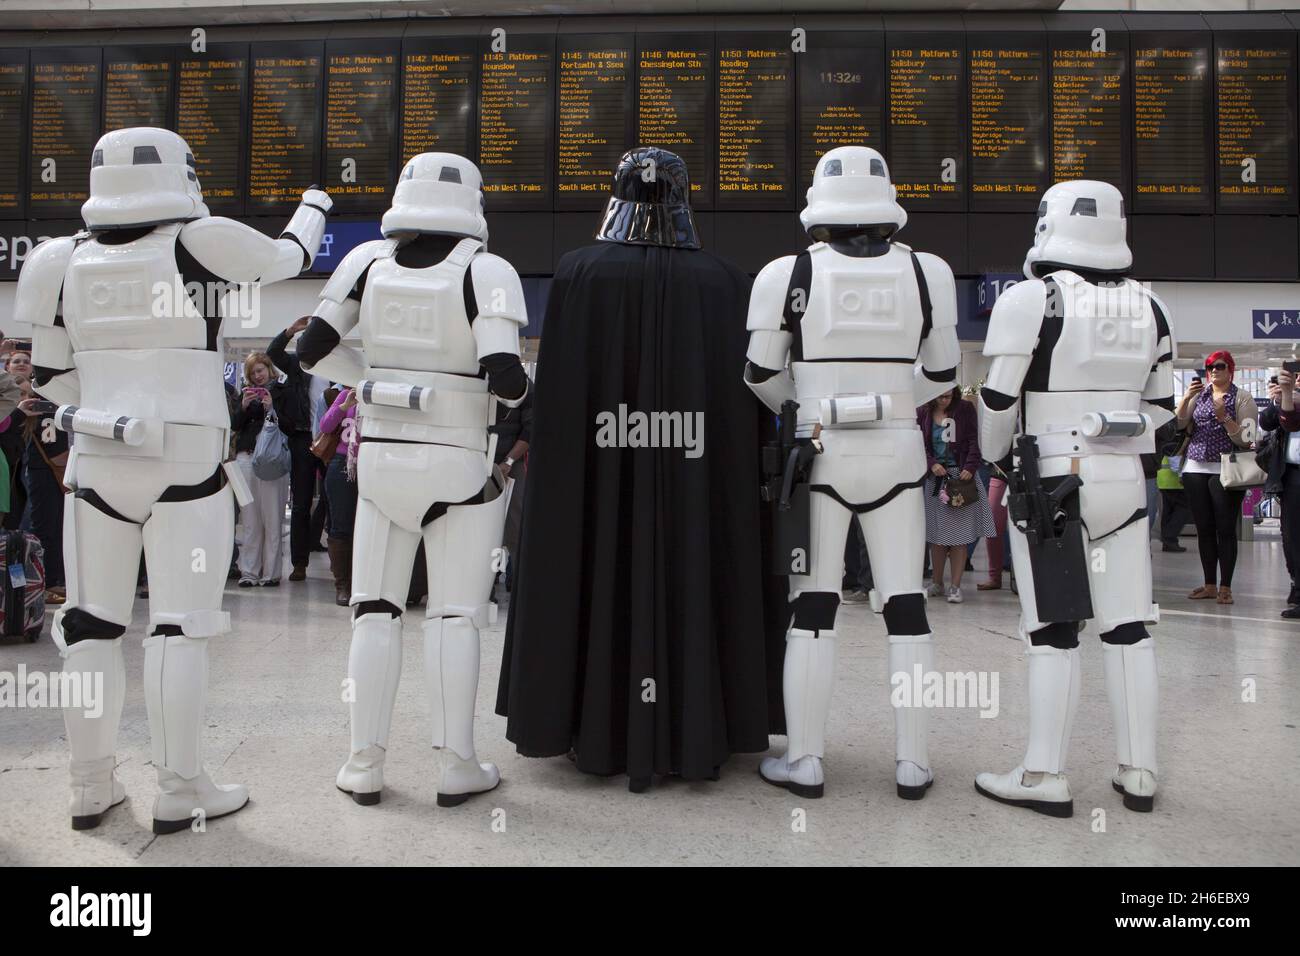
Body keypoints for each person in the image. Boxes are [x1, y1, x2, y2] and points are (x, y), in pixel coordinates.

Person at [20, 126, 330, 833]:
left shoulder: (55, 261)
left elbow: (48, 379)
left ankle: (89, 786)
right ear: (180, 173)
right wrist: (314, 200)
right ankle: (181, 786)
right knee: (177, 629)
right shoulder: (201, 240)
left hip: (98, 466)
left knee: (92, 627)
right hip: (186, 462)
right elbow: (291, 255)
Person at [497, 147, 785, 792]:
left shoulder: (578, 274)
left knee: (604, 554)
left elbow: (563, 404)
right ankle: (698, 729)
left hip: (599, 471)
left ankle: (591, 724)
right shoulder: (728, 282)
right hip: (698, 476)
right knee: (695, 561)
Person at [298, 152, 525, 807]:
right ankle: (458, 765)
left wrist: (371, 377)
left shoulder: (366, 263)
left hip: (380, 468)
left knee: (374, 614)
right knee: (456, 617)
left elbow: (306, 351)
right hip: (460, 467)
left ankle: (363, 764)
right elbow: (507, 377)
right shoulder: (487, 272)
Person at [744, 146, 961, 800]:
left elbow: (757, 374)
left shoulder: (785, 272)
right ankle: (913, 764)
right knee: (906, 606)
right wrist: (892, 406)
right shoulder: (930, 273)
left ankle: (806, 760)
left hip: (819, 453)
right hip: (898, 451)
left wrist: (811, 408)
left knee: (812, 606)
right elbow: (944, 373)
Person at [974, 180, 1176, 817]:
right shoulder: (1153, 306)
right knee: (1129, 628)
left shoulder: (1029, 299)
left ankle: (1044, 774)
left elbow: (999, 401)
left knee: (1053, 628)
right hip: (1124, 482)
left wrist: (995, 457)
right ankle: (1139, 771)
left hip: (1050, 479)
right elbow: (1162, 411)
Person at [1175, 349, 1258, 605]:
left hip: (1226, 469)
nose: (1214, 370)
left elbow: (1247, 439)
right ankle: (1210, 583)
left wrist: (1224, 418)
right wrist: (1186, 398)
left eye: (1219, 366)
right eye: (1210, 366)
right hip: (1195, 467)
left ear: (1230, 369)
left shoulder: (1242, 398)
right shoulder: (1200, 396)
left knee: (1225, 529)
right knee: (1205, 529)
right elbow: (1179, 424)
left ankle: (1226, 587)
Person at [918, 385, 995, 603]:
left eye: (948, 396)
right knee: (937, 537)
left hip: (961, 479)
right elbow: (920, 444)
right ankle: (937, 582)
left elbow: (974, 440)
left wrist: (970, 467)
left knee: (960, 536)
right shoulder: (923, 412)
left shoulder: (964, 409)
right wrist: (931, 464)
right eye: (940, 397)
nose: (944, 401)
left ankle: (955, 586)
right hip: (935, 480)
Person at [230, 351, 291, 587]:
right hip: (246, 458)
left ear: (269, 368)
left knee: (273, 517)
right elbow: (235, 426)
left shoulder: (282, 392)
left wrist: (270, 409)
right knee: (250, 519)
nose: (257, 377)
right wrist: (243, 406)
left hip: (272, 462)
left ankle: (271, 572)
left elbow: (290, 426)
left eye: (260, 370)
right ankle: (249, 571)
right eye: (252, 373)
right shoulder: (245, 396)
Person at [266, 316, 318, 582]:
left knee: (335, 500)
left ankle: (342, 565)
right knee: (300, 503)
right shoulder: (299, 366)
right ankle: (300, 563)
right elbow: (272, 353)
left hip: (332, 439)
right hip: (303, 438)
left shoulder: (341, 369)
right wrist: (290, 331)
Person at [1260, 368, 1300, 617]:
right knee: (1292, 535)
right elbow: (1268, 422)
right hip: (1292, 473)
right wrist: (1280, 398)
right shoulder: (1290, 397)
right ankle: (1298, 588)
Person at [317, 385, 359, 606]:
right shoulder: (345, 394)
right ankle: (343, 585)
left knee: (366, 527)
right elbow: (325, 425)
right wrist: (344, 406)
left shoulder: (380, 394)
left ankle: (362, 582)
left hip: (374, 465)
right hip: (342, 463)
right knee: (341, 525)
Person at [1155, 421, 1190, 552]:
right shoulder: (1178, 439)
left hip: (1163, 479)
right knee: (1184, 509)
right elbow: (1175, 460)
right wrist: (1182, 476)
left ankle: (1168, 541)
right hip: (1174, 481)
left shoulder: (1167, 435)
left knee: (1168, 512)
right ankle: (1169, 538)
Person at [981, 451, 1013, 590]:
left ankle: (1019, 576)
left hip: (1028, 465)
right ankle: (994, 577)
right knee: (992, 524)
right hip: (1000, 470)